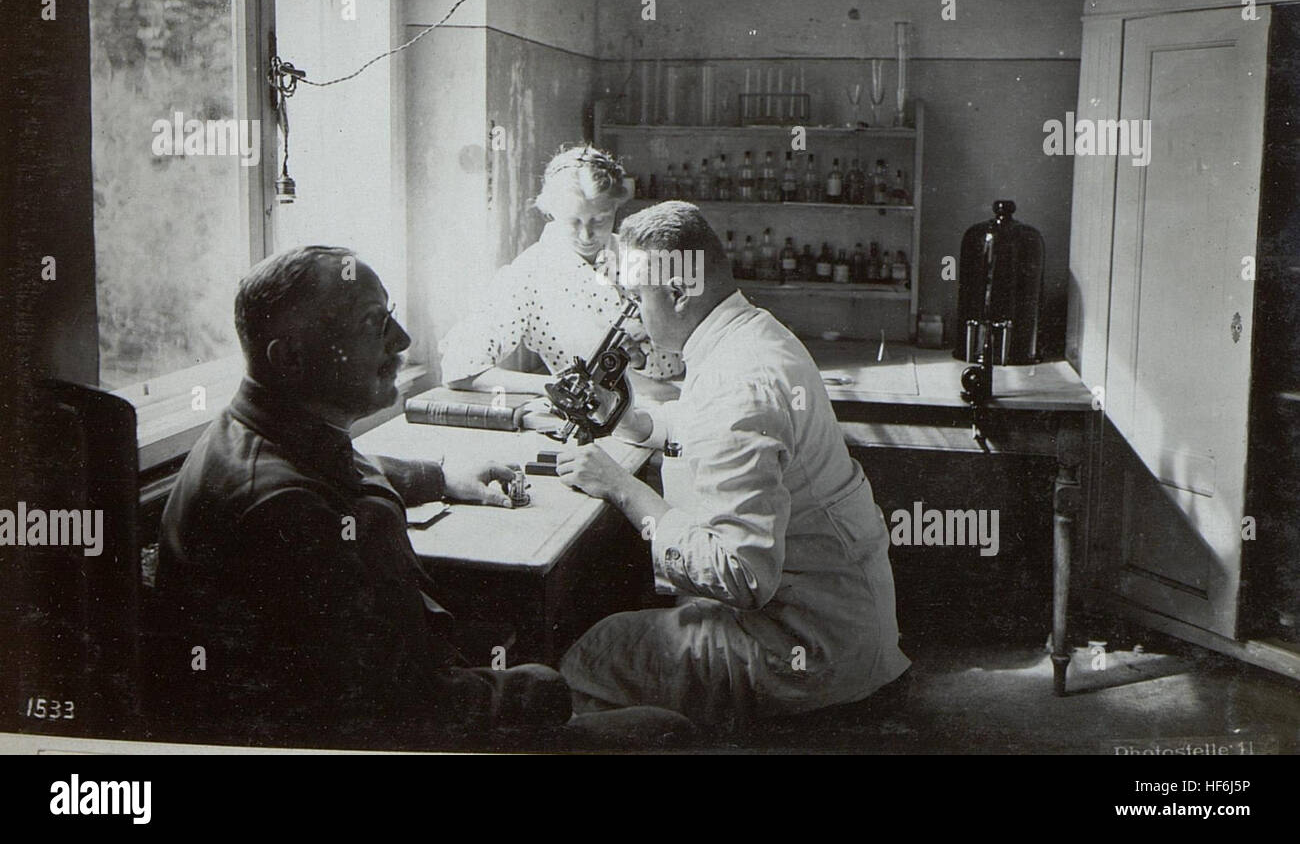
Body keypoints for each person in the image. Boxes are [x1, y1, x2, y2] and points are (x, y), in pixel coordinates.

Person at [156, 245, 687, 748]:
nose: (403, 340)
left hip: (376, 693)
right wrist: (538, 689)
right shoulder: (285, 509)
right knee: (666, 731)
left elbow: (335, 468)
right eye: (373, 324)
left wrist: (439, 477)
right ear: (290, 357)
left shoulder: (266, 430)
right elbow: (401, 708)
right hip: (357, 738)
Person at [554, 202, 911, 728]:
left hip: (806, 648)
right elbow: (713, 429)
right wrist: (632, 422)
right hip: (843, 618)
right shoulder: (751, 333)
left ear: (678, 292)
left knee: (596, 653)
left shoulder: (738, 384)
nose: (632, 317)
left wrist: (621, 486)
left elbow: (740, 574)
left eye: (635, 299)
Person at [439, 146, 683, 400]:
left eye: (599, 220)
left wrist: (641, 359)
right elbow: (459, 368)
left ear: (616, 207)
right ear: (551, 212)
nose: (586, 235)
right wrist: (552, 386)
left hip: (673, 404)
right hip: (597, 421)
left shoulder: (643, 260)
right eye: (573, 221)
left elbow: (681, 358)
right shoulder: (528, 276)